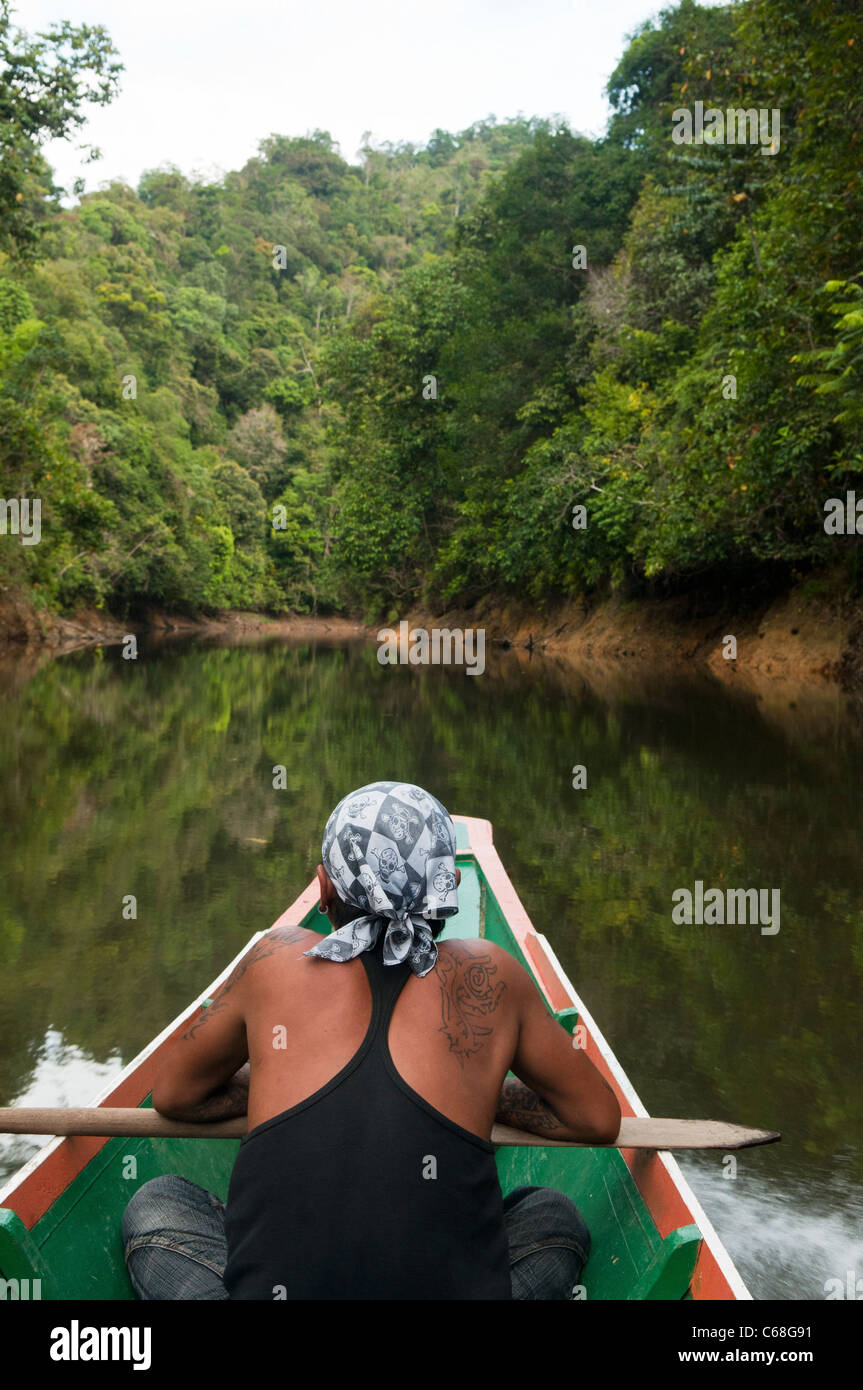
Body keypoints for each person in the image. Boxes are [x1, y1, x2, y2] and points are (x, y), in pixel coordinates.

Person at [122, 781, 620, 1300]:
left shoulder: (276, 960)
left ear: (324, 889)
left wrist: (273, 1080)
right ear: (444, 887)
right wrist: (480, 1095)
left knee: (157, 1202)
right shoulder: (491, 973)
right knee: (551, 1214)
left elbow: (176, 1095)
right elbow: (598, 1119)